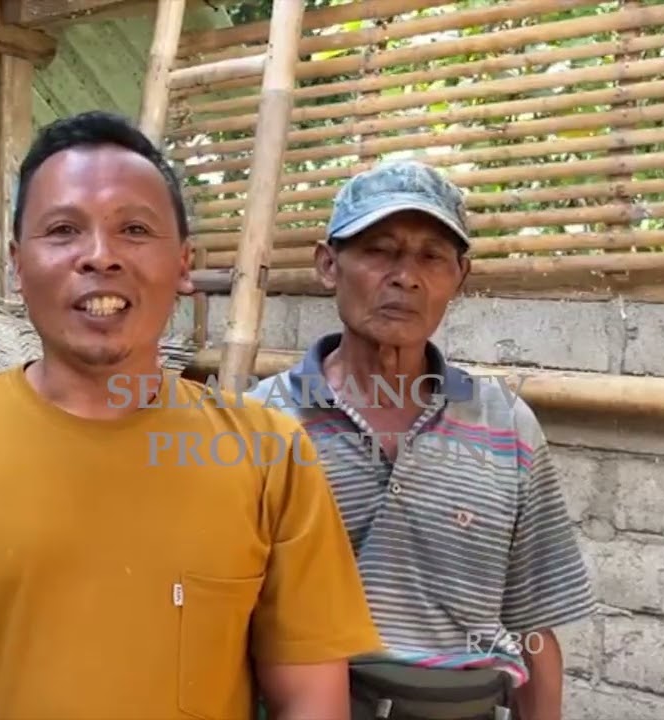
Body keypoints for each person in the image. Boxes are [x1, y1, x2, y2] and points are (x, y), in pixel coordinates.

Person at [0, 110, 383, 720]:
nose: (100, 257)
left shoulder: (268, 454)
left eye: (134, 229)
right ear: (16, 265)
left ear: (185, 264)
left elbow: (311, 699)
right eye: (62, 230)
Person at [248, 160, 596, 720]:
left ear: (459, 277)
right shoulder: (262, 421)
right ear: (328, 264)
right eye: (380, 250)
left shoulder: (505, 426)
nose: (406, 277)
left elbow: (534, 626)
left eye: (431, 257)